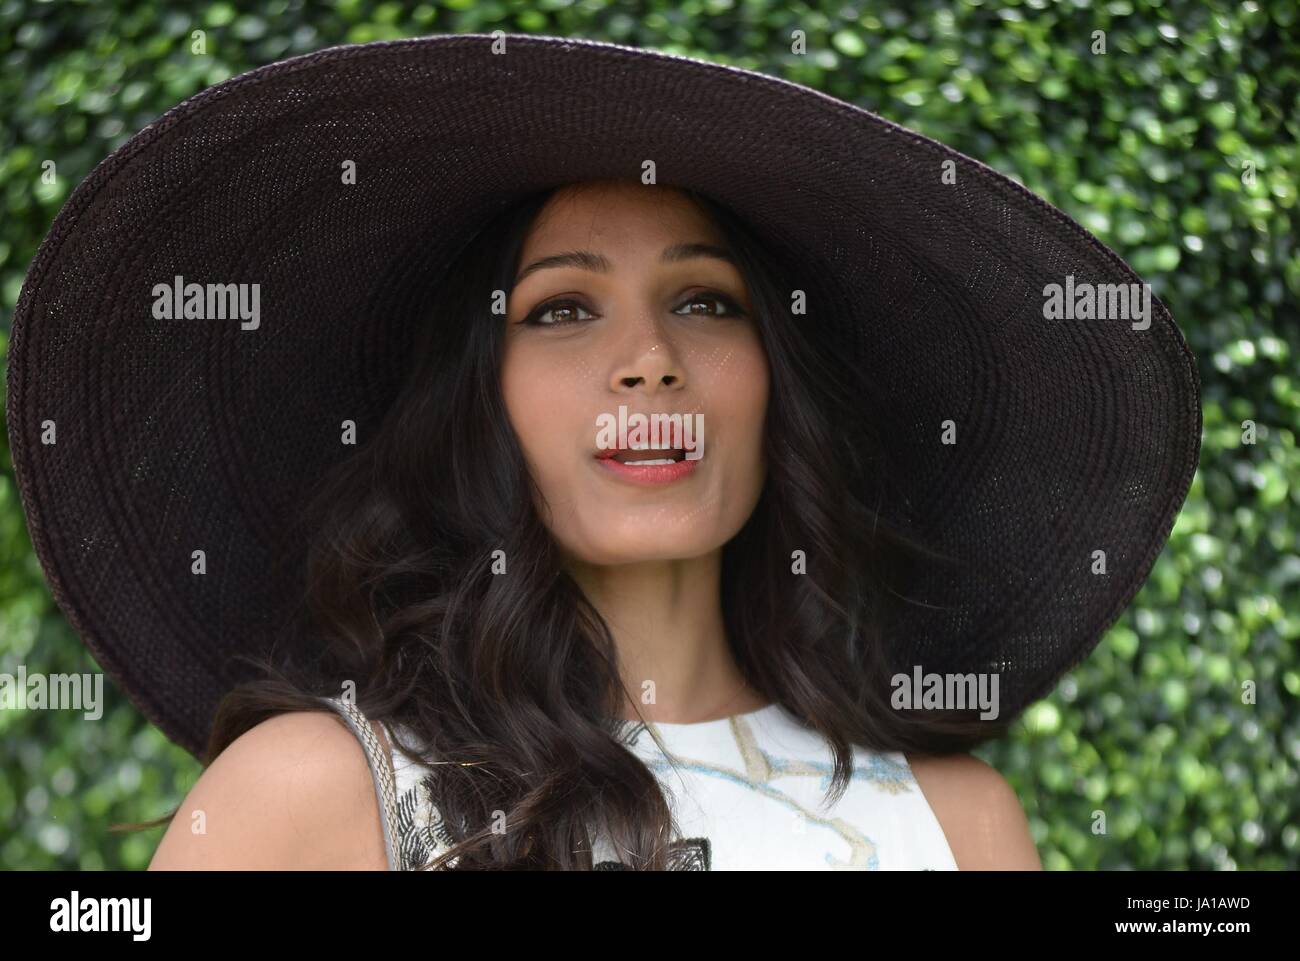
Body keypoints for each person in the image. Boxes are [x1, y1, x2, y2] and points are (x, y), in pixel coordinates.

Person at [7, 34, 1199, 871]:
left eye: (709, 302)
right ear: (483, 401)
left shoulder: (961, 826)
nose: (646, 360)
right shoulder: (311, 795)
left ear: (777, 388)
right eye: (563, 310)